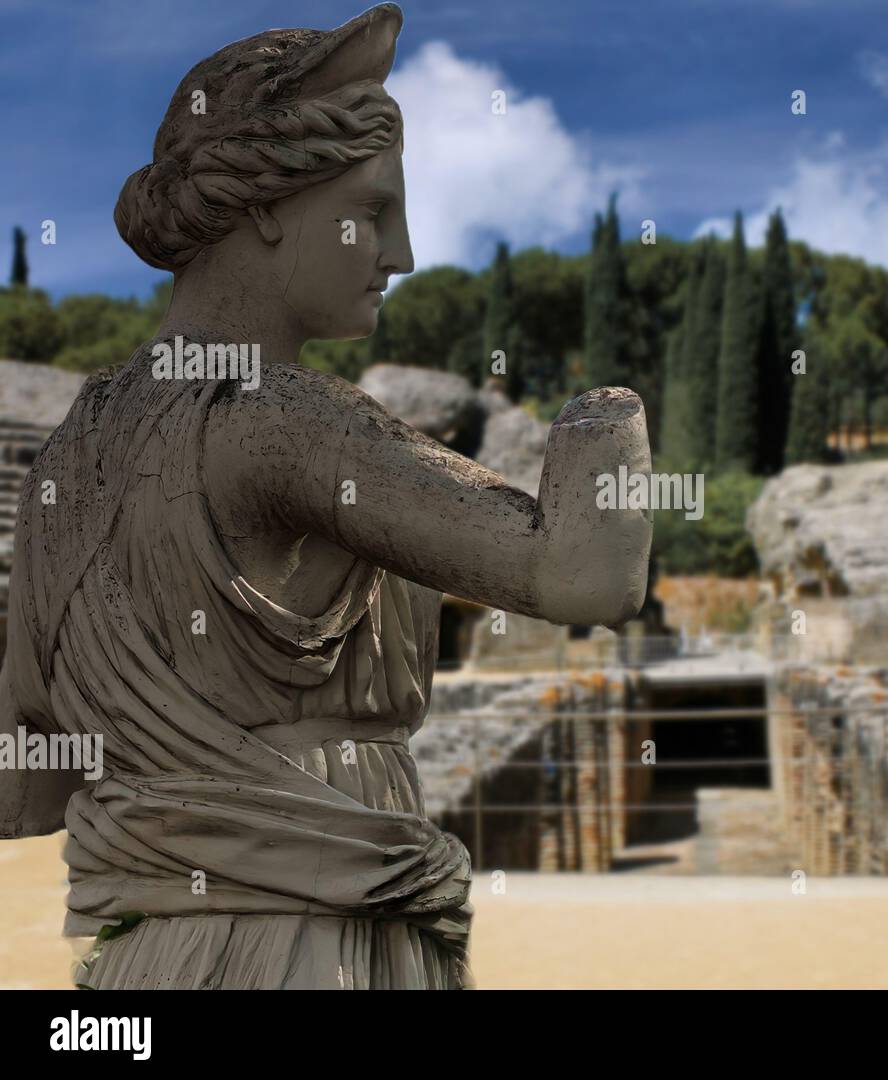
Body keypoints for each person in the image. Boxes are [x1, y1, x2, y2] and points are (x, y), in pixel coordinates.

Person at [0, 3, 651, 990]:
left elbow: (28, 780)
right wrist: (607, 420)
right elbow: (583, 575)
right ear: (267, 204)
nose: (402, 255)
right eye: (375, 210)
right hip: (313, 948)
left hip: (136, 962)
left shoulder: (61, 462)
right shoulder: (279, 417)